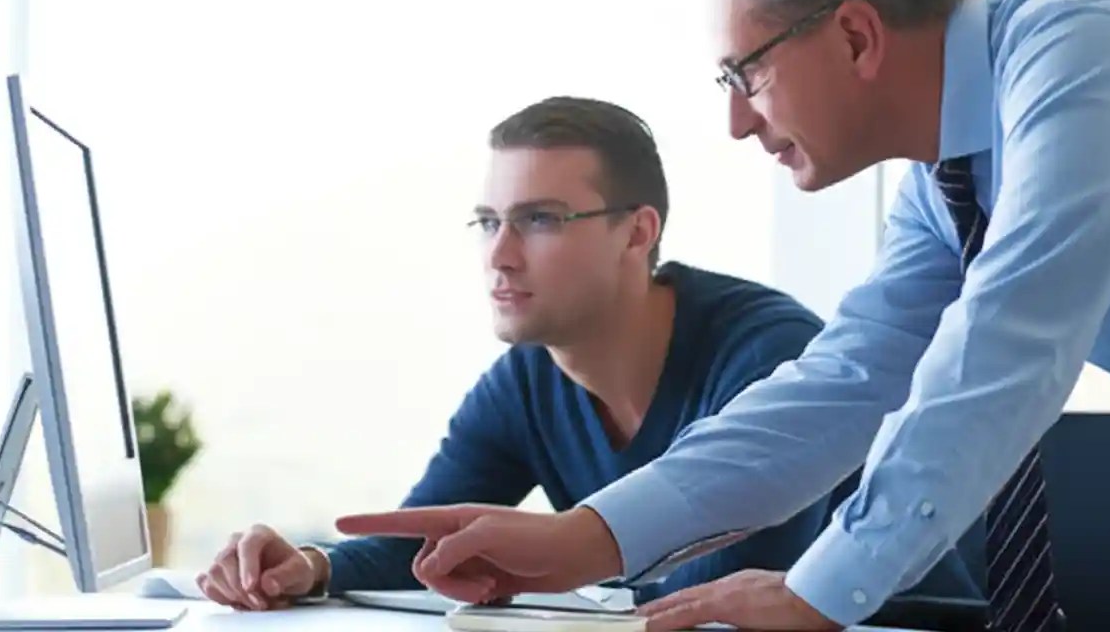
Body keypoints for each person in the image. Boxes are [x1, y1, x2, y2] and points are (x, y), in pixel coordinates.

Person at [336, 0, 1110, 632]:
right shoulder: (947, 183)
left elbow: (1009, 338)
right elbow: (846, 381)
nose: (737, 121)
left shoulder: (1082, 47)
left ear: (854, 36)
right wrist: (590, 535)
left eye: (746, 74)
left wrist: (823, 587)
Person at [198, 96, 852, 612]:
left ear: (637, 231)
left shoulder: (769, 356)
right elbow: (424, 550)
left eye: (539, 219)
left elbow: (718, 597)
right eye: (489, 221)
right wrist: (310, 566)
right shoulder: (529, 377)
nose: (500, 254)